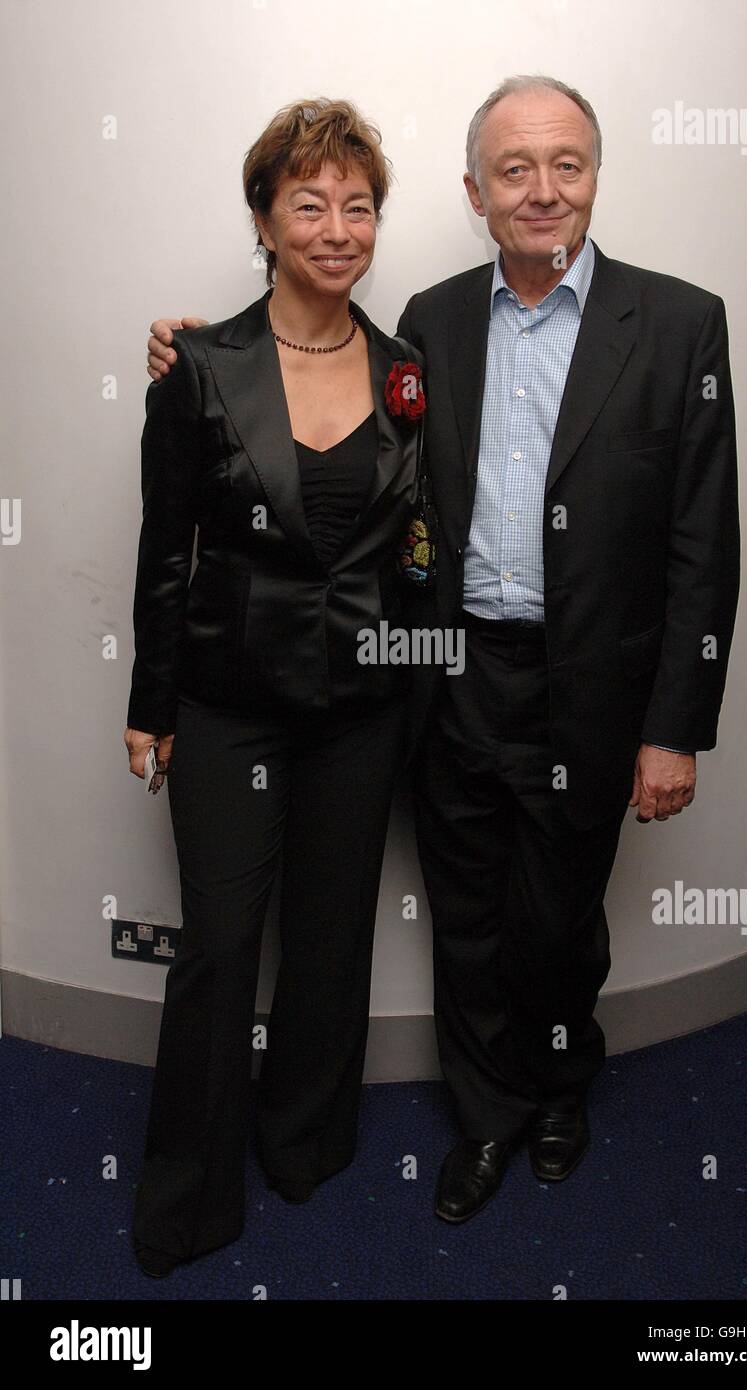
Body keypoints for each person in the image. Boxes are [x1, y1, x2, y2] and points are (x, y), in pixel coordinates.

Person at [146, 74, 740, 1227]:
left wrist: (677, 725)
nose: (542, 189)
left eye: (565, 163)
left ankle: (559, 1088)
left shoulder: (679, 323)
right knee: (464, 913)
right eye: (513, 169)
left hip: (591, 686)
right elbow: (343, 455)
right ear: (475, 192)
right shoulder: (433, 321)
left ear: (595, 177)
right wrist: (190, 352)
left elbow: (701, 541)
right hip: (447, 673)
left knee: (558, 915)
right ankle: (485, 1115)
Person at [123, 97, 425, 1277]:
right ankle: (189, 1190)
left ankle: (305, 1142)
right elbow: (164, 552)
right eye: (310, 203)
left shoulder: (407, 372)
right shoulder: (201, 364)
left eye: (358, 204)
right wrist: (151, 704)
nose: (338, 227)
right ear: (264, 218)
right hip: (228, 702)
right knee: (220, 942)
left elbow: (420, 549)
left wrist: (422, 673)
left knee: (334, 933)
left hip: (363, 712)